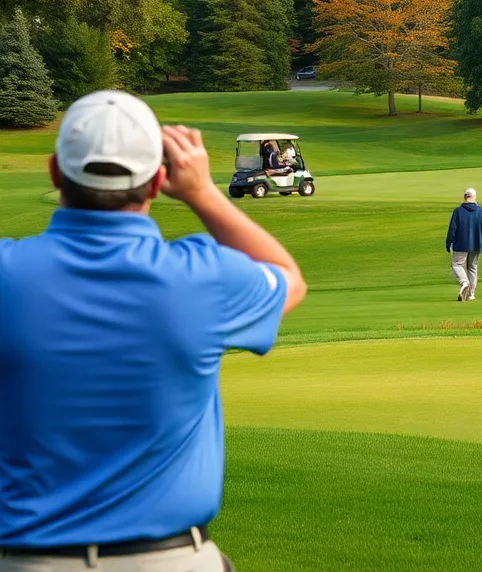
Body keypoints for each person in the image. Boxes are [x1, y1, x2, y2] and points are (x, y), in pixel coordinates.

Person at [0, 91, 307, 571]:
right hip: (171, 560)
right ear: (159, 178)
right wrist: (203, 193)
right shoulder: (201, 275)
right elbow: (287, 278)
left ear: (56, 171)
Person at [446, 188, 482, 302]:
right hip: (476, 245)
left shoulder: (458, 211)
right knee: (472, 268)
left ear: (465, 197)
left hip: (460, 244)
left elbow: (452, 229)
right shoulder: (481, 211)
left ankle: (464, 282)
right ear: (474, 197)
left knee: (456, 264)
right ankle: (471, 293)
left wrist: (448, 243)